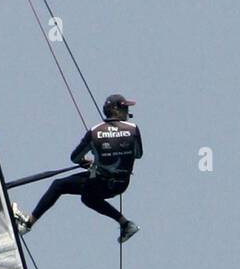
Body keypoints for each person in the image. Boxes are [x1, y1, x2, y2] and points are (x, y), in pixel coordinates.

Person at [12, 94, 142, 243]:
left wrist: (86, 161)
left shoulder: (95, 132)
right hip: (121, 184)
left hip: (100, 182)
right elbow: (138, 154)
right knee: (87, 198)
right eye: (124, 108)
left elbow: (74, 158)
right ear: (115, 109)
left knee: (59, 185)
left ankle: (27, 224)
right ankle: (125, 224)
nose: (127, 112)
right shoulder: (133, 129)